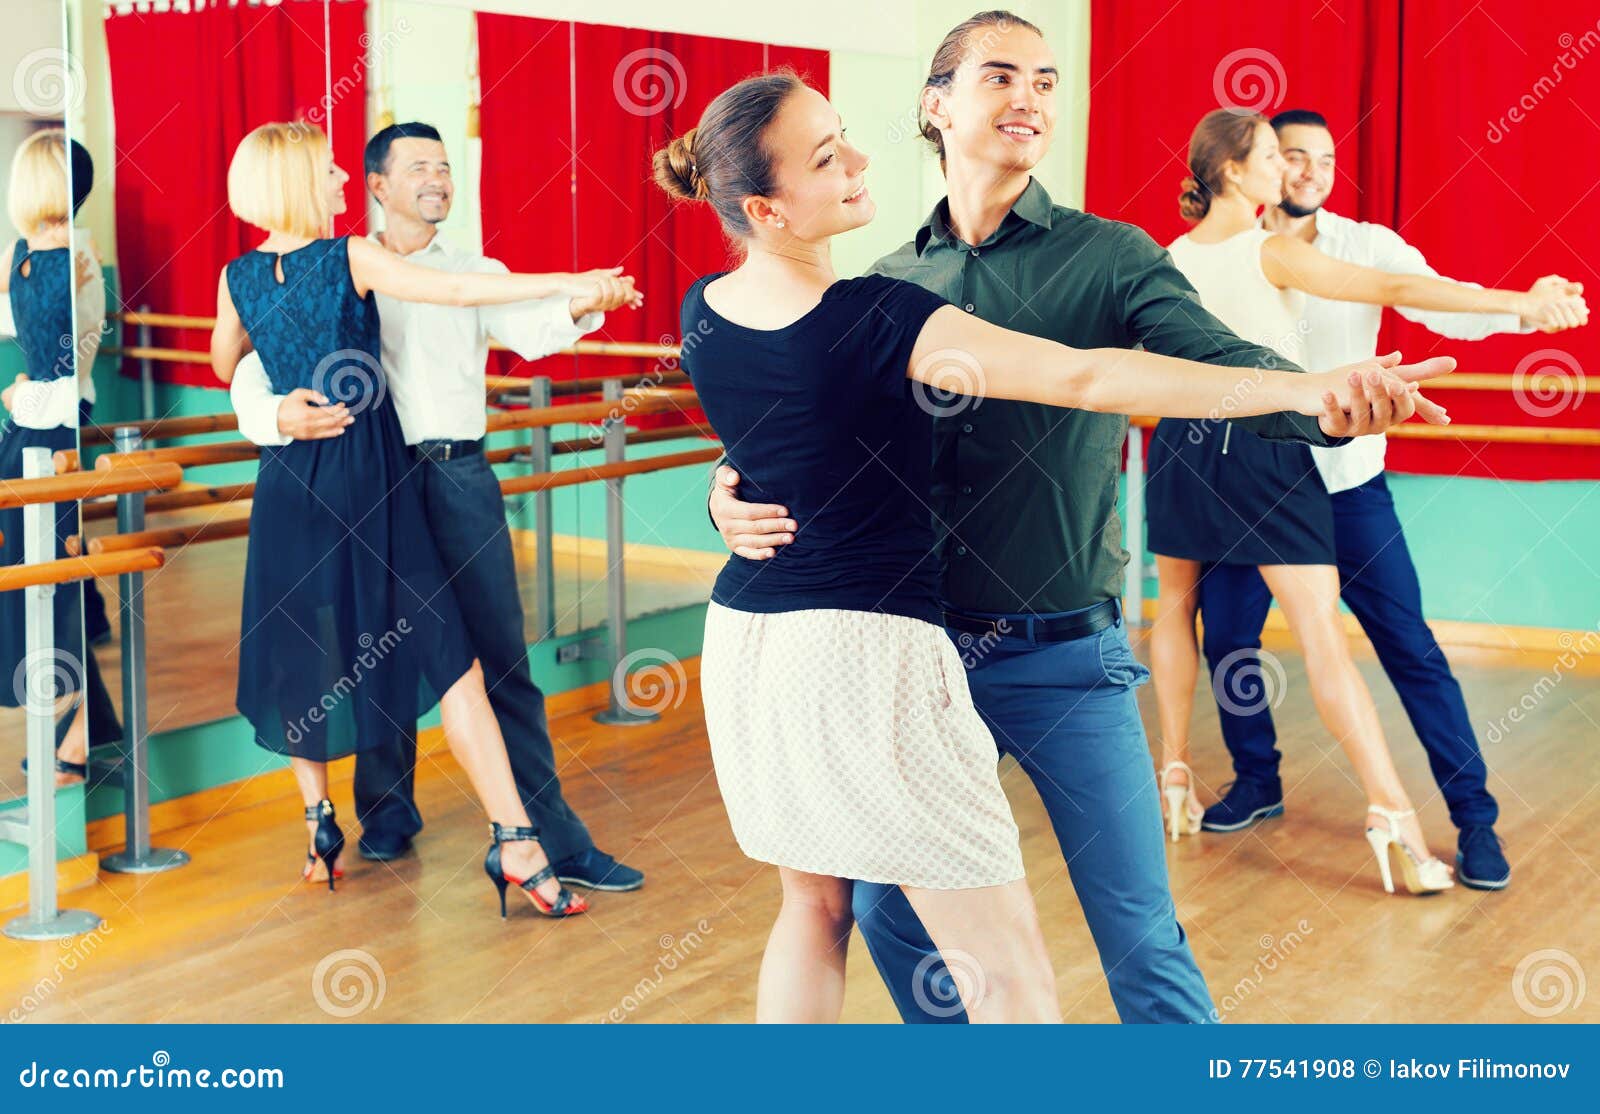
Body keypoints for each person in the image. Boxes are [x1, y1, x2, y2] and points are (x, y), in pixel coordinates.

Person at [682, 63, 1451, 1020]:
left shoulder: (704, 310)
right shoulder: (882, 302)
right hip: (881, 652)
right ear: (768, 207)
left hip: (761, 643)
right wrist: (1305, 385)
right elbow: (1091, 379)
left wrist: (724, 495)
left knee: (815, 904)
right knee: (1004, 975)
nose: (857, 160)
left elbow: (783, 434)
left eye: (1046, 78)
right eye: (829, 154)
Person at [1145, 108, 1585, 895]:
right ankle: (1282, 787)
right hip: (1257, 464)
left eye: (1316, 158)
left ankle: (1474, 820)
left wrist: (1517, 304)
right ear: (1245, 169)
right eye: (1285, 155)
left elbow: (1414, 289)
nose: (1301, 169)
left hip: (1316, 480)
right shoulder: (1250, 248)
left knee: (1401, 649)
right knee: (1243, 645)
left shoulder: (1333, 245)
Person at [212, 122, 635, 917]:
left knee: (430, 655)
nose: (439, 178)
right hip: (364, 475)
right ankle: (439, 828)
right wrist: (271, 409)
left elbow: (221, 355)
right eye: (420, 167)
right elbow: (250, 366)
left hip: (385, 481)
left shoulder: (250, 272)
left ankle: (525, 836)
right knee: (404, 655)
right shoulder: (349, 257)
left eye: (446, 167)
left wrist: (573, 298)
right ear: (375, 183)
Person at [0, 129, 118, 787]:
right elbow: (17, 324)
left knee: (50, 575)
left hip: (56, 429)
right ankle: (85, 725)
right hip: (31, 424)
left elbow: (70, 369)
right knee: (32, 572)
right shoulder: (22, 254)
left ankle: (75, 724)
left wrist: (22, 394)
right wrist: (22, 392)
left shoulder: (79, 260)